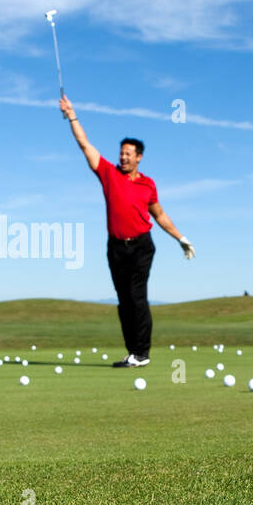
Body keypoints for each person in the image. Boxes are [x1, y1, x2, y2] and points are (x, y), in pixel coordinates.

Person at [59, 93, 194, 367]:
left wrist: (181, 238)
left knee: (137, 297)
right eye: (121, 152)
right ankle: (133, 352)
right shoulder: (109, 174)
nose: (122, 157)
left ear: (139, 157)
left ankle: (142, 353)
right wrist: (72, 116)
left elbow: (159, 215)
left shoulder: (148, 185)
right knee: (124, 301)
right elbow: (85, 145)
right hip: (116, 247)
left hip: (142, 245)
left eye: (128, 154)